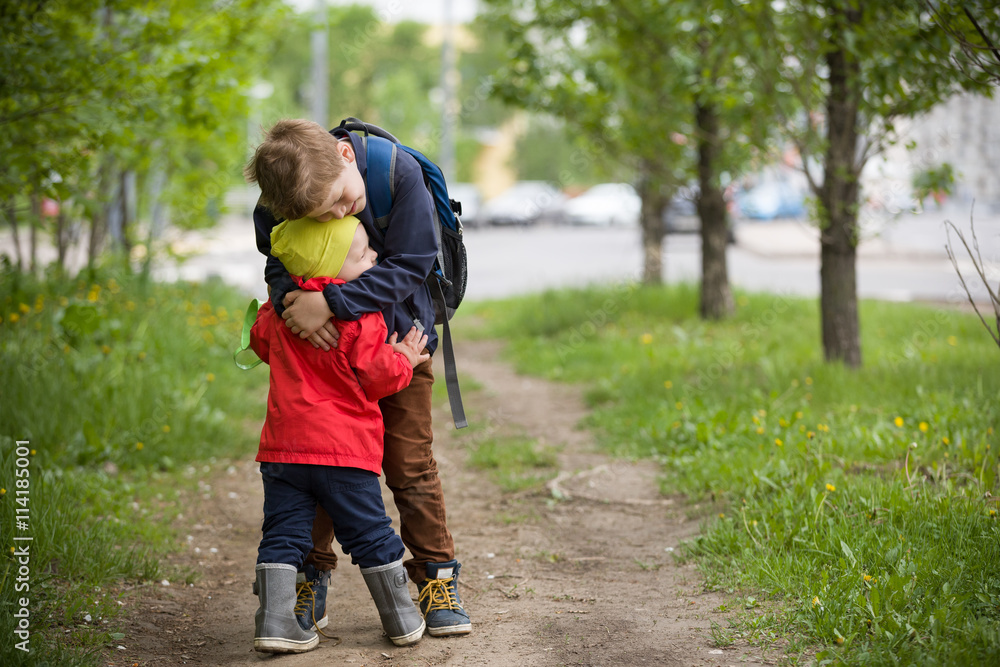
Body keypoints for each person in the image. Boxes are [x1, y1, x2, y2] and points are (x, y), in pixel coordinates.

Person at [245, 118, 472, 638]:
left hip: (400, 347)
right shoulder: (277, 197)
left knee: (410, 463)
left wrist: (331, 302)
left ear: (346, 157)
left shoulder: (398, 174)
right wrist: (289, 305)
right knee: (320, 461)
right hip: (321, 356)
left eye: (342, 201)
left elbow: (413, 262)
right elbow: (278, 263)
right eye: (321, 217)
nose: (341, 214)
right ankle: (310, 580)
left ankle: (436, 578)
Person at [249, 214, 429, 653]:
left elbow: (259, 341)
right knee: (370, 533)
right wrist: (405, 356)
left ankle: (274, 622)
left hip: (285, 454)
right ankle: (402, 618)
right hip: (344, 452)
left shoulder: (283, 311)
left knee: (284, 534)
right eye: (362, 253)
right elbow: (376, 375)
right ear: (328, 267)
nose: (374, 256)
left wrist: (270, 312)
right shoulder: (361, 315)